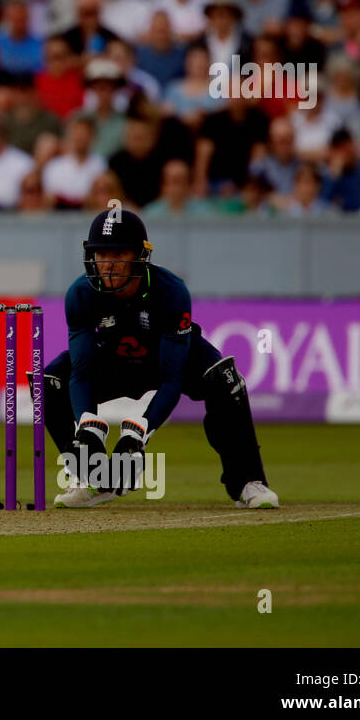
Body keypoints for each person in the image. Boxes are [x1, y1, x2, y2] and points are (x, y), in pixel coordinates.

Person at [36, 209, 278, 508]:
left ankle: (248, 481)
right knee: (48, 383)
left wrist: (138, 432)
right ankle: (95, 479)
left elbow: (172, 378)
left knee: (224, 379)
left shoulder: (171, 292)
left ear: (140, 255)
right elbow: (81, 371)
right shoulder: (81, 294)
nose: (108, 265)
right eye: (100, 254)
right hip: (113, 359)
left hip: (168, 358)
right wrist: (87, 424)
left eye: (119, 254)